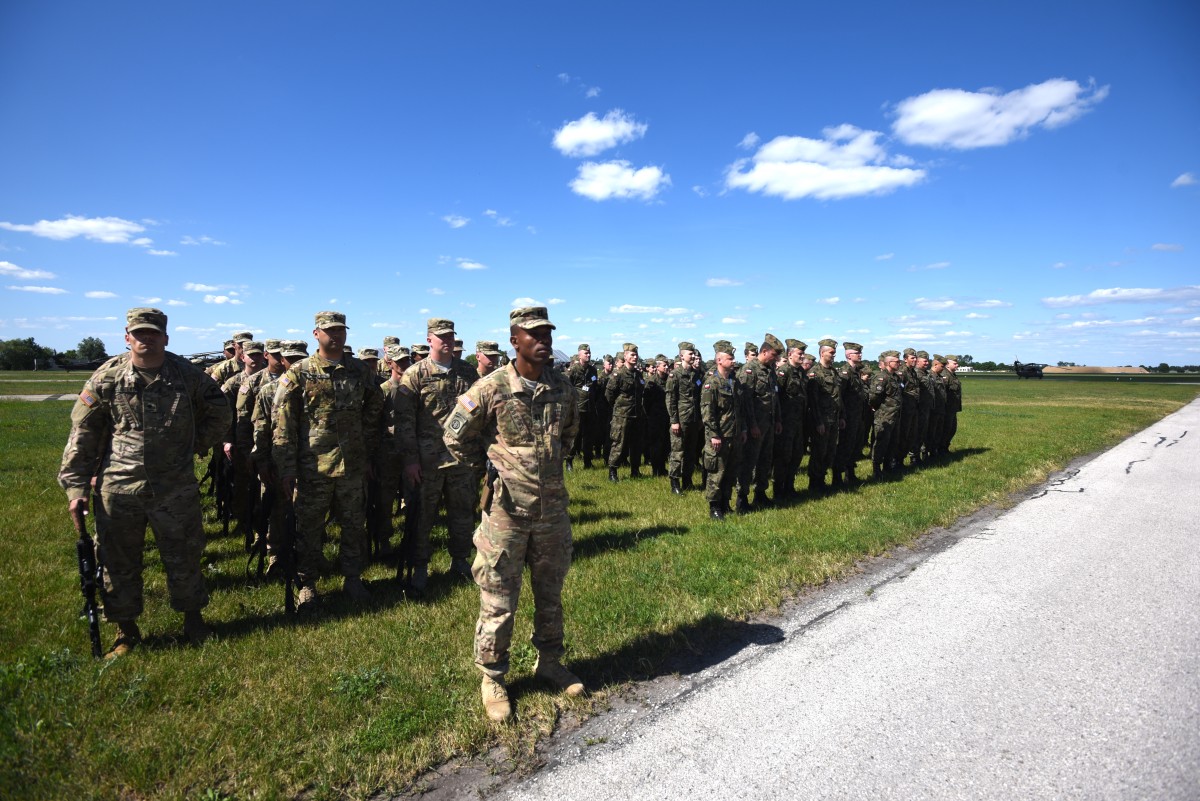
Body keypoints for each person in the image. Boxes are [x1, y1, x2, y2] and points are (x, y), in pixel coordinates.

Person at [59, 307, 231, 657]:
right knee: (116, 559)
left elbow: (221, 412)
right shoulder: (107, 377)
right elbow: (83, 432)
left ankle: (193, 619)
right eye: (139, 333)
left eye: (153, 333)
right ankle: (126, 630)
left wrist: (194, 445)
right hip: (118, 486)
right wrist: (76, 488)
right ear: (127, 337)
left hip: (174, 486)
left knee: (184, 553)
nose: (146, 338)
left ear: (165, 338)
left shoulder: (187, 376)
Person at [442, 306, 583, 723]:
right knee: (499, 596)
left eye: (548, 334)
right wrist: (491, 468)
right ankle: (493, 676)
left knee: (550, 591)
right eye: (534, 334)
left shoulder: (563, 388)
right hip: (505, 513)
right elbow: (454, 436)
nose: (544, 341)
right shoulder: (490, 388)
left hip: (552, 510)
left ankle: (550, 662)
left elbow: (570, 436)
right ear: (514, 340)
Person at [273, 311, 383, 608]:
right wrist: (286, 467)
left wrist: (366, 443)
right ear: (316, 334)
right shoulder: (299, 372)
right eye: (329, 330)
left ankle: (353, 579)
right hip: (313, 466)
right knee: (309, 528)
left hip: (352, 464)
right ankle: (307, 584)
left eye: (340, 330)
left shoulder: (360, 371)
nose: (335, 335)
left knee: (352, 525)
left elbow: (376, 404)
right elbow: (283, 421)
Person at [395, 318, 481, 590]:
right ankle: (420, 566)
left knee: (462, 512)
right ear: (429, 339)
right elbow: (404, 421)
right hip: (427, 461)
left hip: (461, 458)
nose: (447, 341)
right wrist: (410, 460)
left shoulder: (467, 373)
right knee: (422, 516)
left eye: (451, 336)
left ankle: (460, 561)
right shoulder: (416, 374)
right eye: (441, 336)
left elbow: (480, 412)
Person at [701, 340, 749, 520]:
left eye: (734, 358)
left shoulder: (734, 381)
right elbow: (707, 412)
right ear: (719, 360)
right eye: (730, 358)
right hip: (719, 436)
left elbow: (740, 409)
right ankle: (714, 507)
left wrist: (743, 429)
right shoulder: (712, 383)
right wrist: (714, 435)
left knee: (731, 471)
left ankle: (725, 503)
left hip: (734, 434)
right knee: (717, 473)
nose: (734, 361)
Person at [737, 333, 783, 511]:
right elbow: (745, 401)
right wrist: (752, 425)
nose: (776, 359)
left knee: (765, 460)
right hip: (754, 426)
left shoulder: (770, 370)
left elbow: (774, 396)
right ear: (764, 351)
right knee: (749, 462)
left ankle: (760, 493)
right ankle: (742, 498)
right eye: (774, 355)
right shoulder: (749, 370)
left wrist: (777, 419)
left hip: (769, 424)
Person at [666, 341, 704, 494]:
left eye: (694, 353)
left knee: (690, 452)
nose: (693, 356)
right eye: (690, 353)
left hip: (694, 420)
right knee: (678, 452)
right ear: (682, 356)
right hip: (680, 420)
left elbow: (700, 398)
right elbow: (670, 399)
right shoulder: (675, 375)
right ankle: (675, 482)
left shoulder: (696, 375)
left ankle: (687, 479)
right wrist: (674, 421)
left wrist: (700, 418)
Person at [806, 339, 843, 493]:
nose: (834, 355)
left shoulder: (833, 372)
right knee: (819, 452)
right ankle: (815, 483)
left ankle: (822, 478)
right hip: (822, 420)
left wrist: (841, 416)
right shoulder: (815, 373)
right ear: (822, 353)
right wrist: (818, 421)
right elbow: (813, 402)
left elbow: (838, 397)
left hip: (834, 418)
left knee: (829, 451)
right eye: (831, 352)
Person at [773, 339, 807, 500]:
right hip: (785, 422)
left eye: (803, 353)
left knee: (796, 454)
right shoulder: (783, 372)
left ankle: (789, 485)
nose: (802, 356)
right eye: (800, 353)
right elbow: (776, 397)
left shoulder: (801, 372)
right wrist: (778, 420)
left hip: (799, 421)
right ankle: (779, 488)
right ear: (790, 354)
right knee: (783, 456)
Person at [605, 344, 645, 482]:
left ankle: (635, 470)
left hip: (637, 414)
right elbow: (609, 394)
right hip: (622, 415)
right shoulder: (619, 374)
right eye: (632, 355)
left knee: (636, 444)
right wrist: (618, 408)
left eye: (636, 355)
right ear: (625, 356)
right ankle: (612, 471)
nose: (635, 357)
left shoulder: (638, 375)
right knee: (619, 443)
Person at [870, 351, 903, 477]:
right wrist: (878, 408)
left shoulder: (896, 377)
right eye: (897, 361)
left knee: (893, 442)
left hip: (895, 415)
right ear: (889, 363)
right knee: (881, 443)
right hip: (884, 416)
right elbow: (874, 397)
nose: (899, 363)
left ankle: (888, 466)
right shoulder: (881, 377)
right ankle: (876, 468)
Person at [565, 343, 598, 469]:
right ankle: (569, 460)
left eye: (589, 353)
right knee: (575, 437)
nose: (588, 355)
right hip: (577, 408)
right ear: (579, 355)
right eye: (586, 353)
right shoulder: (573, 370)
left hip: (590, 408)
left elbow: (595, 387)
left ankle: (588, 462)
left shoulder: (593, 370)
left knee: (588, 437)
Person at [942, 355, 963, 452]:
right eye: (954, 363)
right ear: (947, 364)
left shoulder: (952, 375)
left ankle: (945, 447)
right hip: (946, 408)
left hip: (952, 407)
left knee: (952, 429)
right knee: (946, 429)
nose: (957, 365)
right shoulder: (944, 375)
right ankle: (941, 449)